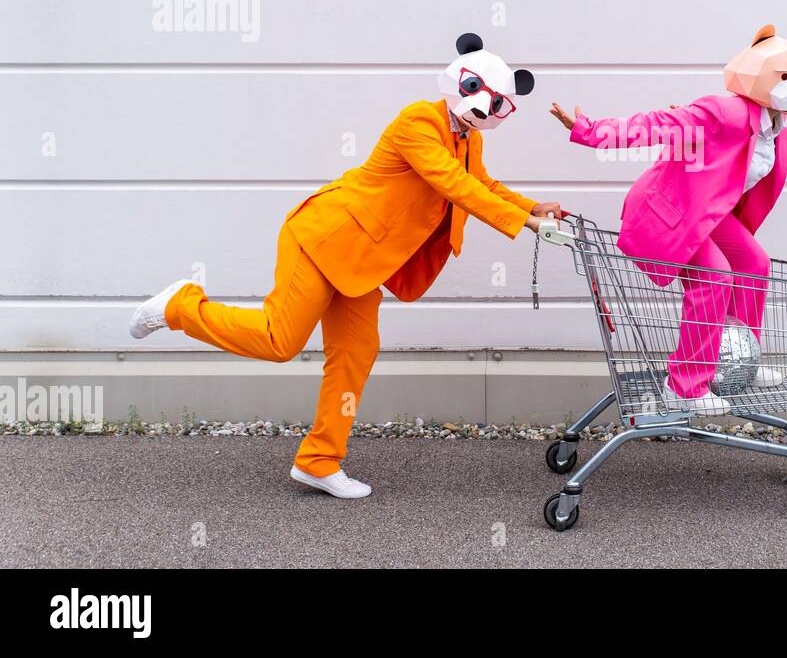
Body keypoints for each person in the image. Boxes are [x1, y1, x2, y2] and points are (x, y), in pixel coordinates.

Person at [127, 33, 563, 498]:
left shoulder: (468, 139)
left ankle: (318, 460)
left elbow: (480, 182)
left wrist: (533, 207)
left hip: (362, 263)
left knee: (356, 354)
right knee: (279, 340)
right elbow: (453, 183)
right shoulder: (418, 120)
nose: (486, 108)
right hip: (323, 238)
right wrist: (523, 223)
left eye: (498, 103)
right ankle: (180, 306)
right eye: (483, 95)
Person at [550, 24, 787, 415]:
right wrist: (591, 131)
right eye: (785, 77)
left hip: (706, 210)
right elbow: (658, 125)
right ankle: (684, 386)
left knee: (752, 263)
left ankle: (742, 358)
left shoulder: (774, 129)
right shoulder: (725, 111)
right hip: (667, 210)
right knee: (714, 276)